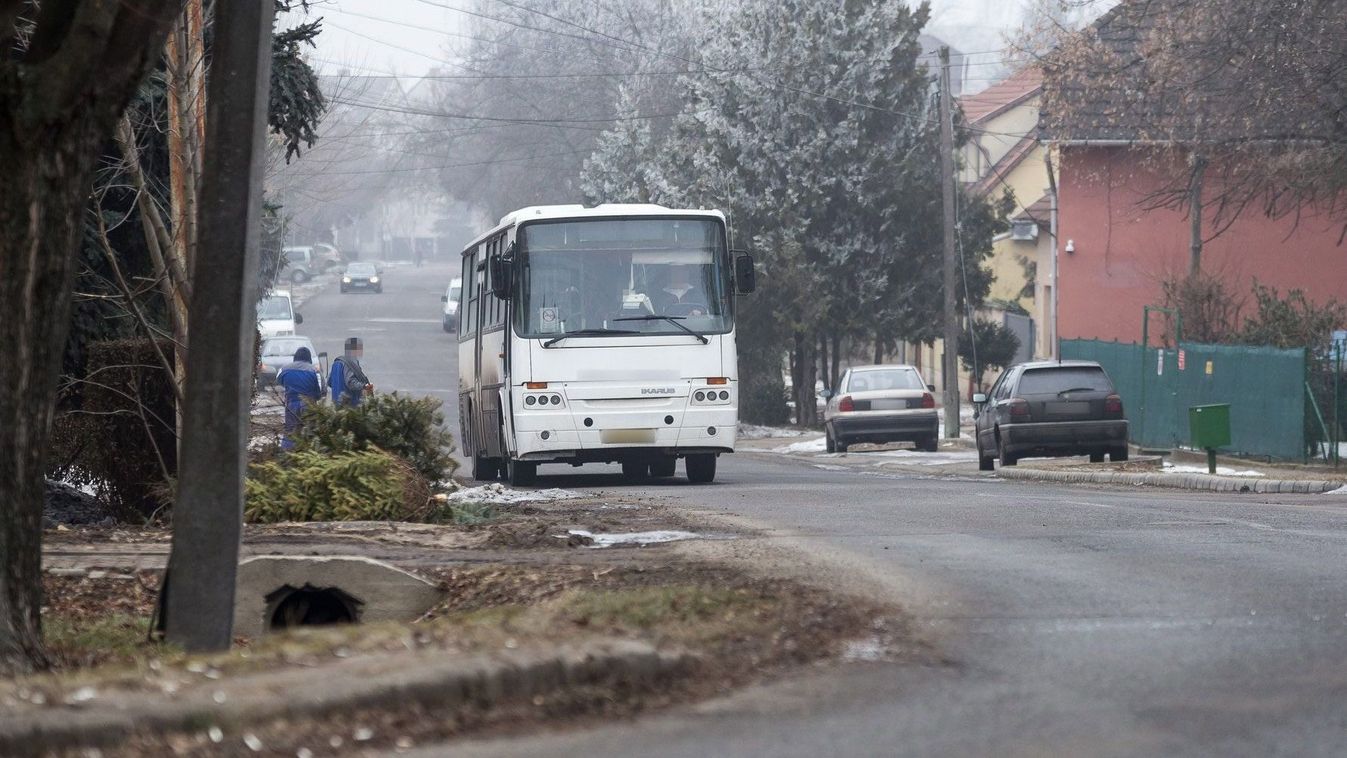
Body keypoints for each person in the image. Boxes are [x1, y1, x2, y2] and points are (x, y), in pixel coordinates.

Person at [276, 346, 322, 450]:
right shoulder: (315, 370)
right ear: (309, 358)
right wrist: (316, 397)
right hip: (309, 404)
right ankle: (308, 455)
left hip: (291, 404)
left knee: (290, 430)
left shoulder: (284, 369)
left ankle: (286, 455)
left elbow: (278, 380)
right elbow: (321, 389)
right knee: (309, 431)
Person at [329, 337, 372, 407]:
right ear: (353, 350)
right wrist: (364, 386)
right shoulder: (350, 363)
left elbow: (330, 382)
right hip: (349, 404)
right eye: (359, 348)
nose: (361, 351)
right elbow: (351, 382)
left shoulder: (336, 362)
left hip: (336, 403)